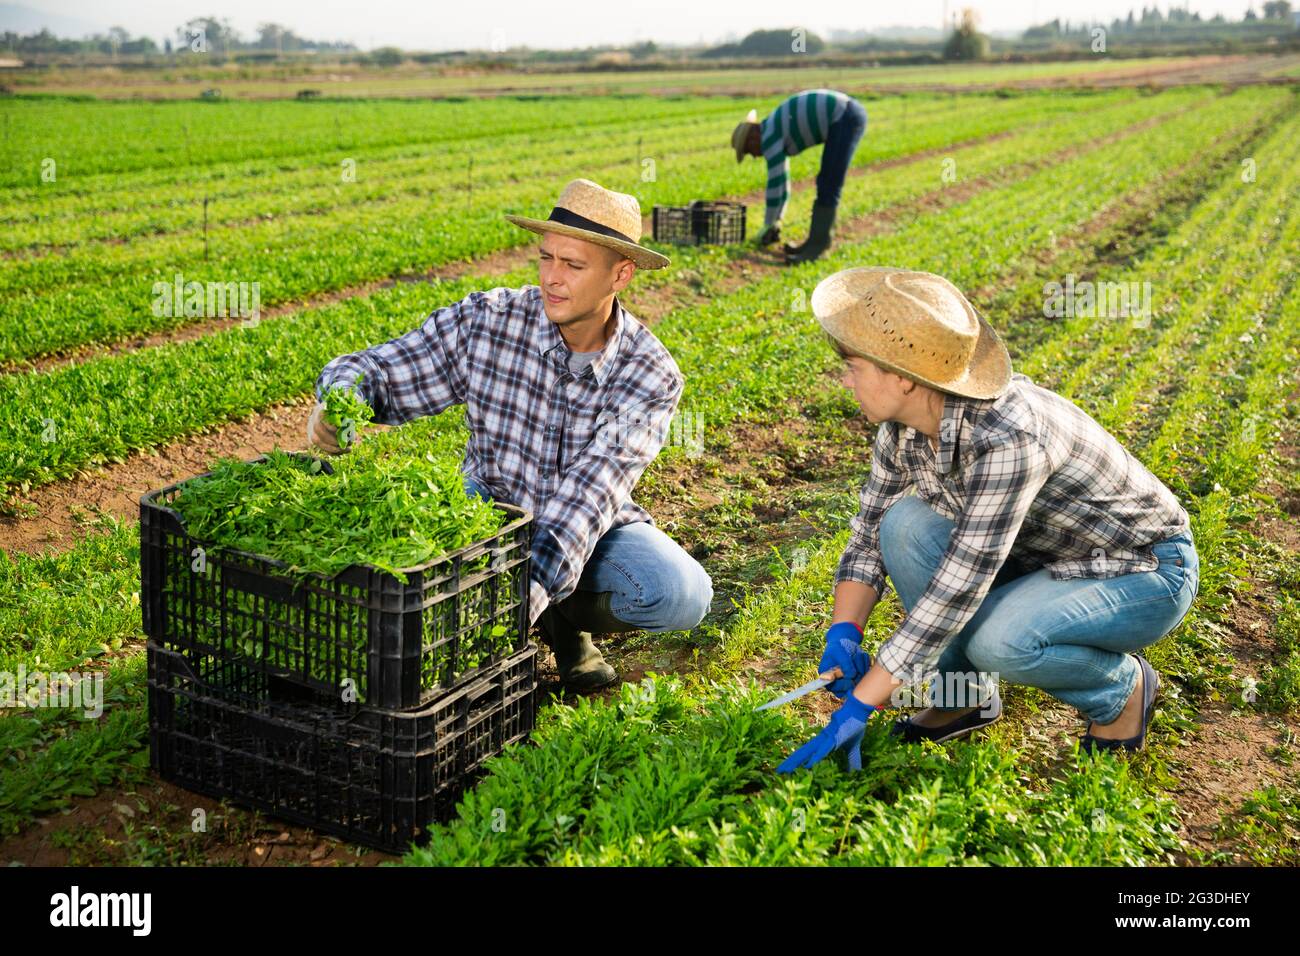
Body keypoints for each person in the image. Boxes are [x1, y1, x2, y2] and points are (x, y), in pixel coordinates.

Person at [778, 267, 1200, 772]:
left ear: (902, 377)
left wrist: (861, 703)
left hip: (1141, 570)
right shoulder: (904, 426)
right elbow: (869, 532)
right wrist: (843, 631)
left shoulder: (1010, 437)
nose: (844, 378)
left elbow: (958, 587)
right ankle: (962, 694)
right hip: (1035, 558)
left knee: (1002, 641)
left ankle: (1122, 691)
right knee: (904, 524)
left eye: (852, 365)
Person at [308, 178, 713, 692]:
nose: (553, 278)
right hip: (486, 510)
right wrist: (344, 403)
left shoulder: (649, 372)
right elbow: (381, 368)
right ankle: (530, 614)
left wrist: (526, 595)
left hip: (590, 531)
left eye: (574, 265)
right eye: (546, 258)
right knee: (406, 552)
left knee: (680, 591)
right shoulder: (489, 320)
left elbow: (590, 493)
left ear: (621, 274)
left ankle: (559, 621)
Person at [730, 88, 868, 264]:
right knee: (826, 181)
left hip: (845, 117)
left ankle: (817, 248)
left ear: (752, 138)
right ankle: (814, 243)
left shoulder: (769, 138)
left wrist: (768, 224)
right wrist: (776, 221)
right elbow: (783, 182)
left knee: (829, 183)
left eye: (749, 151)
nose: (756, 156)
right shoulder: (773, 128)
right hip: (845, 114)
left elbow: (775, 185)